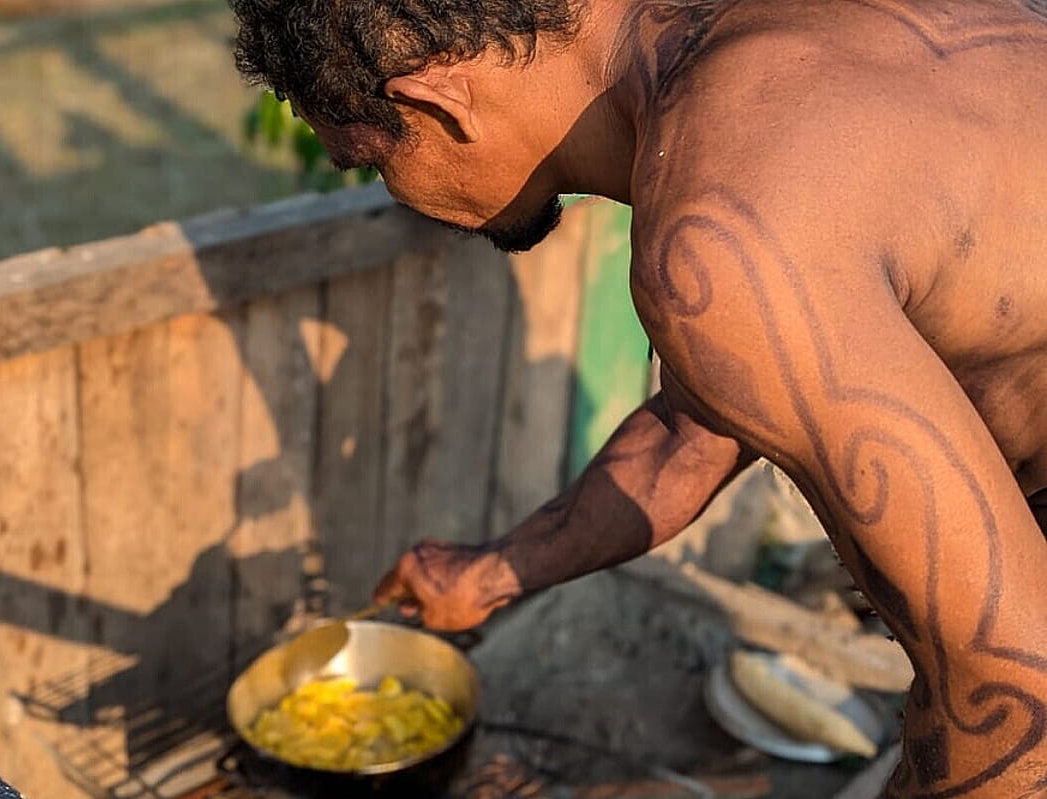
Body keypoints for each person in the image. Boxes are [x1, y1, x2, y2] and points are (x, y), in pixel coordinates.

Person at [227, 0, 1047, 794]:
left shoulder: (728, 225)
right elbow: (699, 428)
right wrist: (495, 572)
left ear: (435, 99)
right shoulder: (766, 50)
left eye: (374, 161)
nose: (397, 192)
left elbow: (1014, 698)